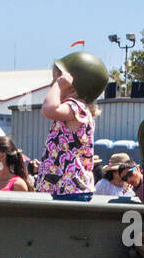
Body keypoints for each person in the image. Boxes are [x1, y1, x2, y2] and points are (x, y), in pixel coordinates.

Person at [36, 50, 109, 201]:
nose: (52, 85)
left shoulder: (77, 107)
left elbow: (48, 109)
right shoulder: (75, 110)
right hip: (64, 188)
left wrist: (58, 85)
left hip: (70, 190)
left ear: (72, 87)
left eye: (56, 81)